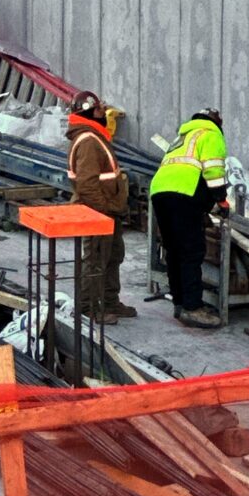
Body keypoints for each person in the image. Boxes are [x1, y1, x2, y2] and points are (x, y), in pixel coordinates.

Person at [148, 109, 228, 329]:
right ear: (217, 123)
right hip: (184, 194)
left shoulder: (181, 138)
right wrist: (221, 200)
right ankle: (193, 307)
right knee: (191, 252)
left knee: (174, 250)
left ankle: (180, 302)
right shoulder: (211, 135)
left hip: (159, 192)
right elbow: (214, 172)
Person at [67, 91, 133, 323]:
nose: (104, 114)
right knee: (95, 260)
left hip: (108, 212)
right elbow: (87, 185)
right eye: (99, 111)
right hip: (98, 214)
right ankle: (88, 308)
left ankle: (109, 302)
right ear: (88, 112)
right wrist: (103, 209)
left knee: (113, 256)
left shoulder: (95, 137)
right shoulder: (88, 141)